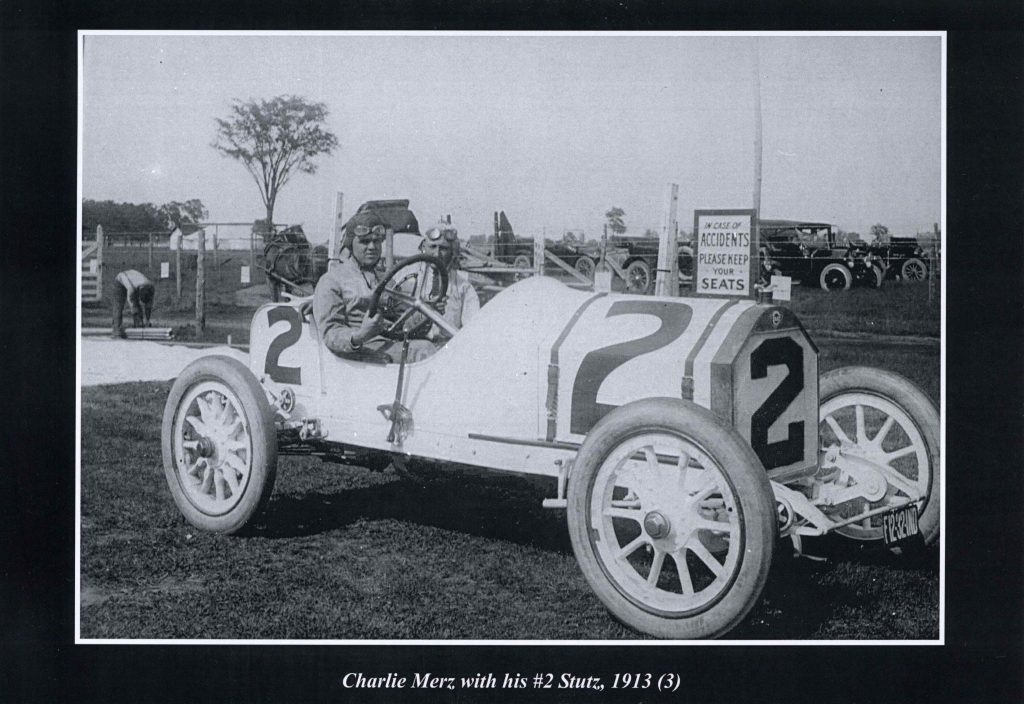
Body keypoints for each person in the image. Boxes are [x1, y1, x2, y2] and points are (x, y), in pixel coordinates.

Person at [312, 211, 435, 362]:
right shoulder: (332, 280)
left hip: (390, 343)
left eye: (376, 241)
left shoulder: (386, 280)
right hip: (359, 352)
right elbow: (330, 333)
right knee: (425, 351)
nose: (372, 247)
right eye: (365, 241)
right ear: (351, 243)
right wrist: (361, 335)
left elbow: (404, 320)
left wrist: (428, 315)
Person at [418, 224, 479, 342]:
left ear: (452, 252)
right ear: (425, 248)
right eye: (433, 247)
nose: (436, 254)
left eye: (443, 248)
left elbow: (472, 329)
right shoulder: (411, 278)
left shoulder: (463, 286)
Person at [111, 269, 155, 338]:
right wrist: (135, 311)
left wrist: (147, 320)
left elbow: (149, 305)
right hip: (120, 280)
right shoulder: (131, 289)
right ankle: (116, 330)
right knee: (119, 306)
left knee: (137, 304)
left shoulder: (151, 287)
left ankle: (138, 326)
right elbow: (131, 303)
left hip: (134, 280)